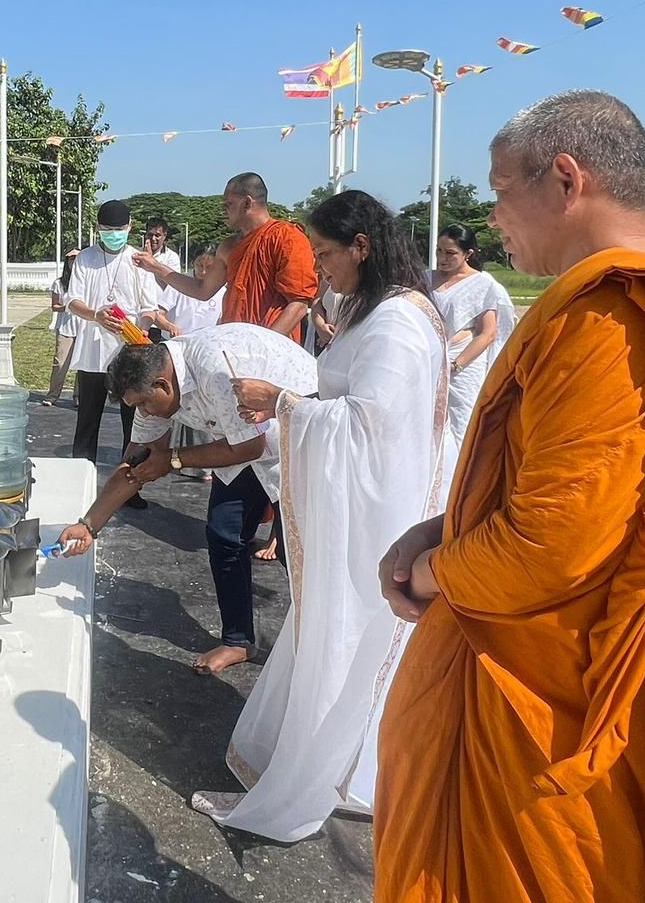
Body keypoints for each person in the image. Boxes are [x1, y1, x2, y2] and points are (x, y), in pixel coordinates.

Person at [375, 91, 645, 902]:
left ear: (565, 178)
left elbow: (549, 547)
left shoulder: (613, 320)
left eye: (498, 190)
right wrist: (442, 525)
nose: (491, 218)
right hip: (528, 685)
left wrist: (426, 576)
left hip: (542, 716)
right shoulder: (615, 305)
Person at [186, 189, 448, 838]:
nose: (321, 267)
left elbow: (371, 422)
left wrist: (283, 403)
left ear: (361, 247)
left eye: (327, 253)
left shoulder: (394, 321)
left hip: (379, 516)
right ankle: (342, 768)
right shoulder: (380, 309)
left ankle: (327, 776)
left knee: (348, 639)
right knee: (336, 642)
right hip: (376, 501)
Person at [54, 323, 319, 674]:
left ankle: (321, 645)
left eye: (146, 404)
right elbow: (136, 462)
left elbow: (251, 444)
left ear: (162, 384)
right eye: (138, 408)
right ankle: (237, 641)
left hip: (299, 439)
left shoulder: (214, 369)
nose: (145, 413)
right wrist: (89, 524)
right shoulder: (155, 385)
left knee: (298, 551)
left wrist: (175, 459)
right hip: (246, 443)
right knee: (224, 534)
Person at [134, 172, 316, 342]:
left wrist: (264, 345)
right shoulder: (228, 246)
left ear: (247, 203)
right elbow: (202, 290)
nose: (223, 210)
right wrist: (154, 266)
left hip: (273, 345)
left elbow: (298, 304)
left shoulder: (288, 237)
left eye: (228, 204)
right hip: (234, 341)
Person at [64, 201, 160, 506]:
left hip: (128, 350)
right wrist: (96, 315)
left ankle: (130, 487)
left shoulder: (137, 260)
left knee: (133, 424)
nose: (114, 235)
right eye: (107, 230)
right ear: (97, 230)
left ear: (129, 227)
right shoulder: (86, 259)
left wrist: (140, 327)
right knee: (87, 420)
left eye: (119, 230)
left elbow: (150, 308)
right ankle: (79, 483)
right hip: (93, 349)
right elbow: (72, 301)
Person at [429, 222, 517, 451]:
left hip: (463, 364)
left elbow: (487, 333)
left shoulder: (483, 284)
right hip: (430, 358)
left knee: (462, 423)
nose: (442, 258)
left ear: (468, 254)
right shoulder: (426, 278)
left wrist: (456, 365)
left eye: (450, 253)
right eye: (439, 251)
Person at [150, 246, 226, 479]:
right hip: (177, 349)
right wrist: (169, 325)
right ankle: (163, 452)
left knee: (202, 405)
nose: (203, 272)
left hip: (206, 354)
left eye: (208, 268)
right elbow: (157, 314)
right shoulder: (180, 286)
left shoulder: (222, 290)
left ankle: (200, 463)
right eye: (199, 266)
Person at [44, 249, 82, 406]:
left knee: (82, 365)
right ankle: (53, 395)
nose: (74, 261)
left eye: (77, 258)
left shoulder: (84, 281)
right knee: (60, 362)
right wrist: (68, 307)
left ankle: (79, 396)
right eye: (71, 259)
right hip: (66, 327)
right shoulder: (59, 283)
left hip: (82, 327)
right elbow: (54, 306)